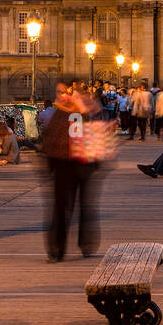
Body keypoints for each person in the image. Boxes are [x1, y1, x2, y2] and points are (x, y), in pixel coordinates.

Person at [40, 87, 102, 261]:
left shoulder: (66, 115)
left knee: (67, 208)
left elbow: (49, 142)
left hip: (71, 165)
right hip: (74, 166)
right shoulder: (73, 115)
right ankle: (79, 246)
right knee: (77, 207)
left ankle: (61, 249)